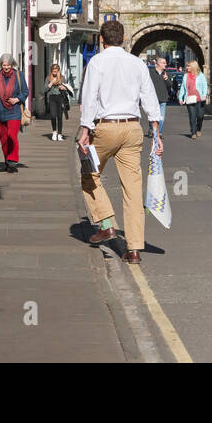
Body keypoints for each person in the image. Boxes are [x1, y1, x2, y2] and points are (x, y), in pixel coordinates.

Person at [77, 19, 162, 265]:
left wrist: (85, 129)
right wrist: (156, 133)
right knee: (133, 190)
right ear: (123, 39)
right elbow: (149, 98)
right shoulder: (137, 63)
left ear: (102, 40)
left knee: (88, 172)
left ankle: (106, 222)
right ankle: (134, 249)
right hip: (133, 128)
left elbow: (90, 96)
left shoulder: (97, 62)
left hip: (105, 128)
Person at [0, 53, 29, 173]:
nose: (6, 67)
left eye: (8, 65)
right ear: (1, 65)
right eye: (4, 65)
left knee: (12, 135)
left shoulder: (18, 75)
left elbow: (25, 91)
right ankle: (7, 160)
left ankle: (13, 159)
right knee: (4, 138)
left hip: (14, 111)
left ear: (12, 65)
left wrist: (17, 99)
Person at [178, 59, 208, 139]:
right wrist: (180, 97)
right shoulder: (185, 76)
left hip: (200, 99)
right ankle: (193, 132)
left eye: (188, 66)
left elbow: (205, 86)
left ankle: (198, 129)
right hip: (190, 99)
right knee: (192, 116)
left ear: (193, 66)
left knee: (200, 116)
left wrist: (204, 95)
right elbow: (183, 88)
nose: (187, 67)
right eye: (187, 66)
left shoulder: (200, 75)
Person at [45, 64, 73, 141]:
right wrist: (51, 83)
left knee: (60, 117)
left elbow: (67, 88)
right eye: (53, 71)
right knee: (53, 116)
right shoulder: (48, 78)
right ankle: (54, 132)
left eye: (56, 71)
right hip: (51, 98)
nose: (54, 73)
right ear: (51, 71)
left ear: (58, 71)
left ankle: (60, 134)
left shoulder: (62, 78)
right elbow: (45, 89)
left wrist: (64, 88)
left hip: (60, 98)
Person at [149, 56, 172, 131]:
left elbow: (170, 85)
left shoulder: (166, 73)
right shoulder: (151, 72)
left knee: (161, 117)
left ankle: (159, 132)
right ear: (158, 64)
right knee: (152, 116)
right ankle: (151, 129)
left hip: (163, 98)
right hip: (153, 98)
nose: (166, 64)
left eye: (165, 63)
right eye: (164, 63)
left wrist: (166, 79)